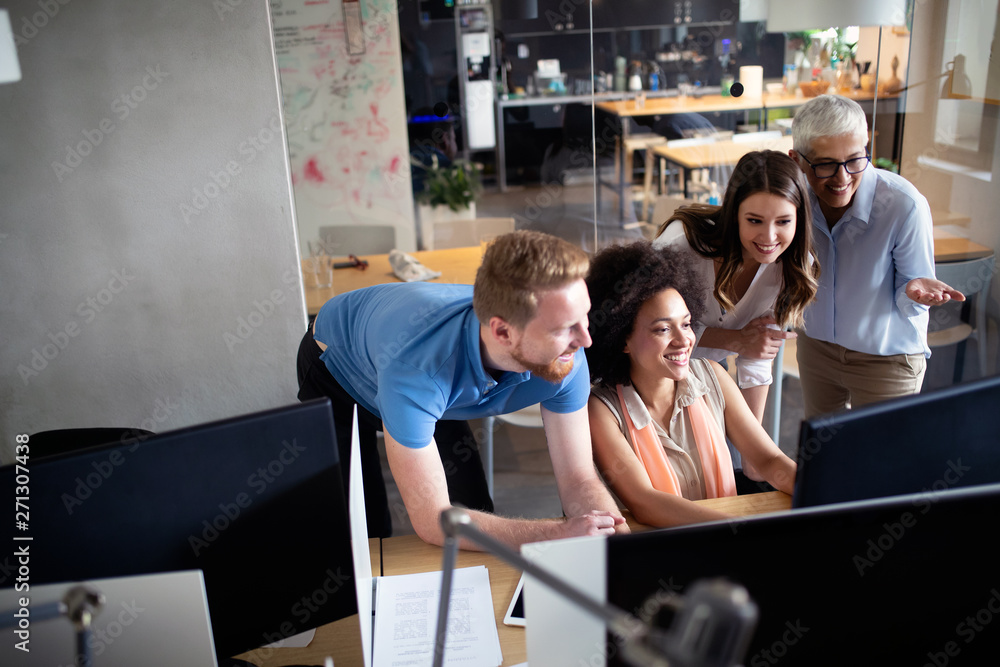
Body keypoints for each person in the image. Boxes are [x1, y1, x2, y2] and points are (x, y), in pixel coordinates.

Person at [297, 231, 627, 547]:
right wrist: (554, 534)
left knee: (473, 504)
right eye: (564, 328)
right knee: (364, 524)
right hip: (337, 366)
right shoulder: (418, 373)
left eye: (584, 317)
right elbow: (434, 521)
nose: (586, 339)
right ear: (503, 333)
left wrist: (619, 539)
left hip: (429, 377)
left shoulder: (565, 357)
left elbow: (579, 480)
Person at [586, 241, 796, 528]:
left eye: (686, 324)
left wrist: (819, 491)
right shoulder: (601, 410)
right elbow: (645, 503)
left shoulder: (712, 376)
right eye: (662, 328)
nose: (685, 340)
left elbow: (768, 459)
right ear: (622, 339)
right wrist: (737, 529)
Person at [788, 95, 964, 418]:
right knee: (825, 454)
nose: (842, 179)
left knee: (883, 460)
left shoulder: (903, 205)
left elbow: (913, 291)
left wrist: (913, 290)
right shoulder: (794, 200)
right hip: (817, 349)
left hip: (886, 359)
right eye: (826, 165)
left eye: (855, 160)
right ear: (798, 160)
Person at [653, 150, 819, 425]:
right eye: (755, 220)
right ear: (734, 214)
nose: (769, 237)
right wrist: (735, 340)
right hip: (651, 374)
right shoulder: (682, 245)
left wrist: (753, 451)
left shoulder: (794, 267)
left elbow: (756, 354)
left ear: (799, 220)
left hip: (708, 373)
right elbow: (648, 330)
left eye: (783, 222)